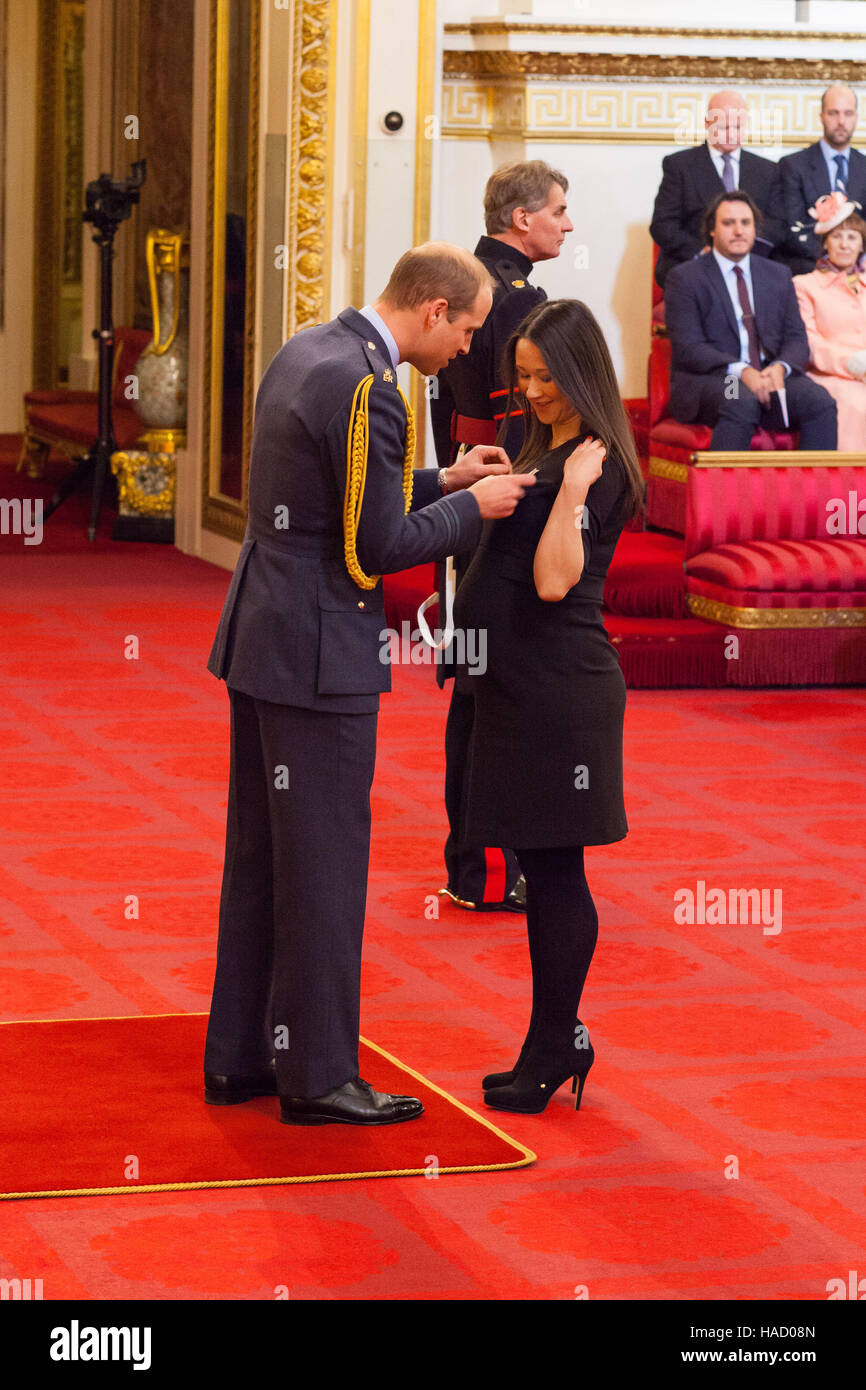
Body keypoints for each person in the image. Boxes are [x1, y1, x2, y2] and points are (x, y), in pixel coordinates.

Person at [203, 243, 536, 1127]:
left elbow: (337, 495)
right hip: (318, 652)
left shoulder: (308, 348)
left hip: (262, 634)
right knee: (321, 867)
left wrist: (443, 477)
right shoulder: (371, 389)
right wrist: (475, 510)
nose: (467, 349)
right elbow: (373, 547)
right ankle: (316, 1076)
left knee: (262, 857)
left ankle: (244, 1057)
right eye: (466, 330)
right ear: (432, 311)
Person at [449, 299, 645, 1115]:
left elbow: (555, 578)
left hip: (563, 693)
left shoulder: (599, 464)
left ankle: (556, 1041)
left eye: (545, 377)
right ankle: (548, 1039)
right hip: (515, 684)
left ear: (581, 374)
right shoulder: (547, 443)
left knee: (558, 870)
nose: (530, 390)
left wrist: (570, 490)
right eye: (522, 375)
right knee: (536, 861)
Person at [430, 160, 573, 916]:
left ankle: (475, 865)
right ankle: (490, 868)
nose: (567, 224)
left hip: (462, 490)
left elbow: (442, 406)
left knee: (476, 685)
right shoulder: (520, 299)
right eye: (558, 211)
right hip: (501, 504)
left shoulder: (457, 277)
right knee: (494, 692)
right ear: (521, 219)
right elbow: (524, 423)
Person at [664, 190, 837, 450]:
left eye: (745, 223)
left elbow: (796, 338)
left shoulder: (778, 274)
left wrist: (780, 368)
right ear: (712, 229)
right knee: (740, 398)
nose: (738, 230)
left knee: (819, 400)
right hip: (718, 379)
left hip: (769, 374)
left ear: (755, 229)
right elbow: (689, 348)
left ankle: (813, 490)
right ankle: (721, 491)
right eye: (728, 223)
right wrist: (743, 371)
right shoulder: (685, 278)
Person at [650, 89, 785, 288]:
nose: (731, 134)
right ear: (708, 123)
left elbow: (778, 225)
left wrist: (743, 249)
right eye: (723, 126)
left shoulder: (767, 170)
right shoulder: (680, 166)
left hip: (751, 263)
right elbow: (663, 225)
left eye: (737, 126)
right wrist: (704, 252)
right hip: (695, 263)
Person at [794, 193, 866, 449]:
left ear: (861, 245)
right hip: (830, 377)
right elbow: (809, 343)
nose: (845, 245)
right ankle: (853, 488)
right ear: (825, 243)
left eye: (852, 237)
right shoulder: (805, 285)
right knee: (858, 404)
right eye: (837, 236)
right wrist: (852, 363)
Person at [779, 84, 866, 275]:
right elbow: (790, 228)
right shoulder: (792, 166)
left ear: (856, 118)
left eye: (848, 113)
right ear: (821, 117)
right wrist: (832, 261)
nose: (841, 121)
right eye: (833, 113)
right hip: (808, 270)